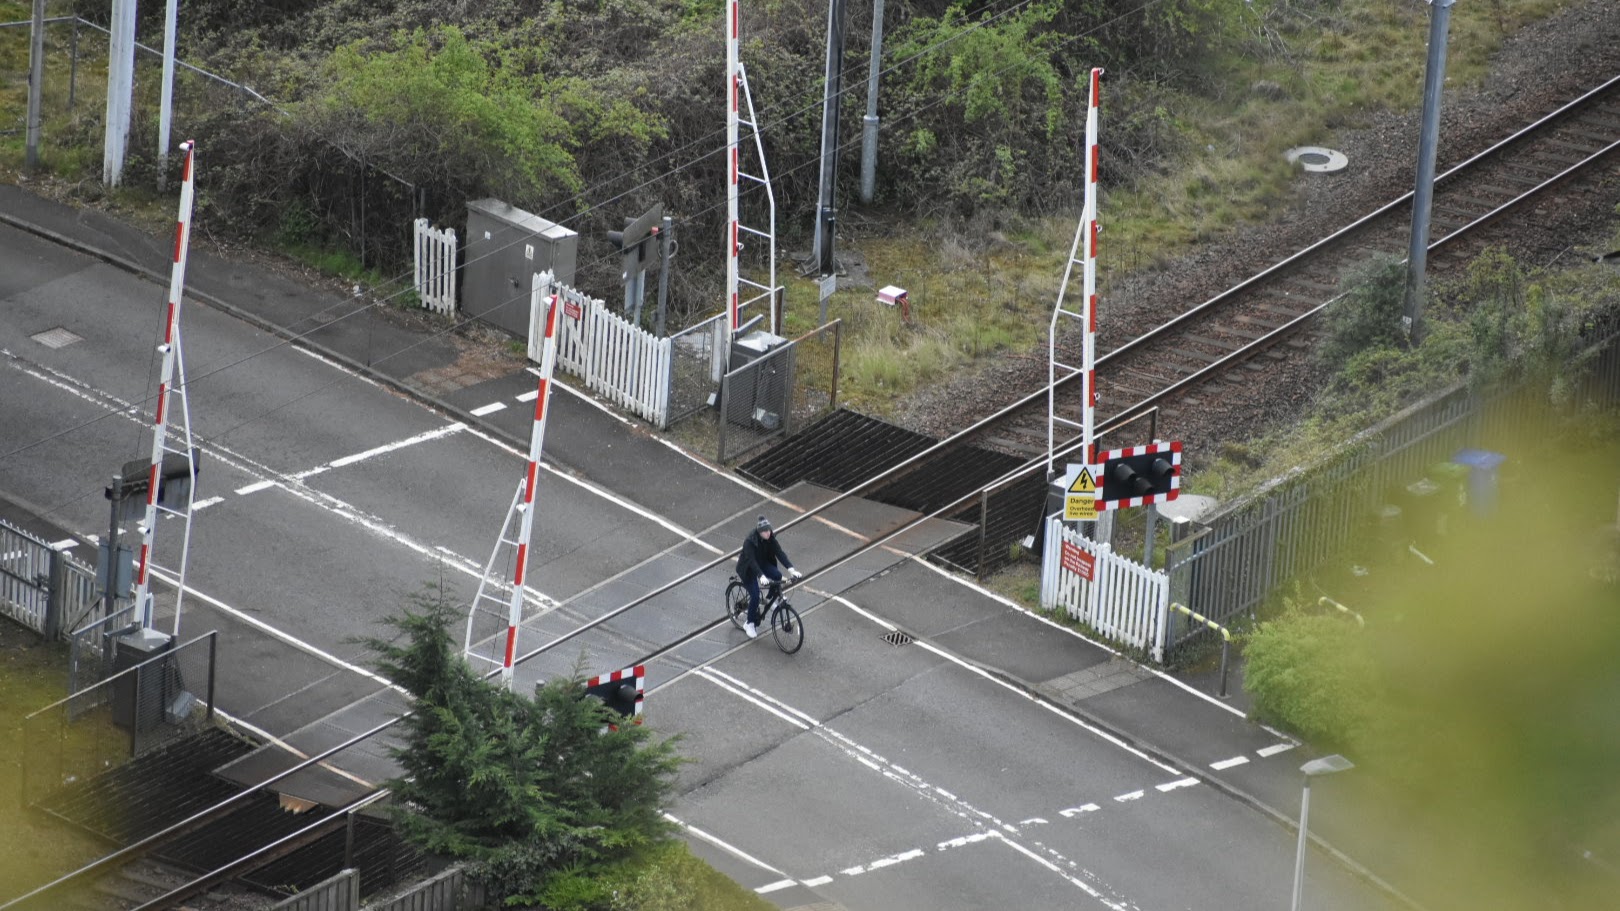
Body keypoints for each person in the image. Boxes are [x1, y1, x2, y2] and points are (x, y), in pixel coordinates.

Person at [737, 515, 801, 638]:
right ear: (760, 532)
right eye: (765, 531)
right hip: (748, 568)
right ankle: (749, 623)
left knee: (777, 575)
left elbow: (780, 553)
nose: (768, 533)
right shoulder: (749, 541)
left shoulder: (771, 538)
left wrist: (791, 569)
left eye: (769, 530)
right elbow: (751, 561)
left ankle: (768, 600)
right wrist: (761, 576)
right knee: (755, 595)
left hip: (762, 562)